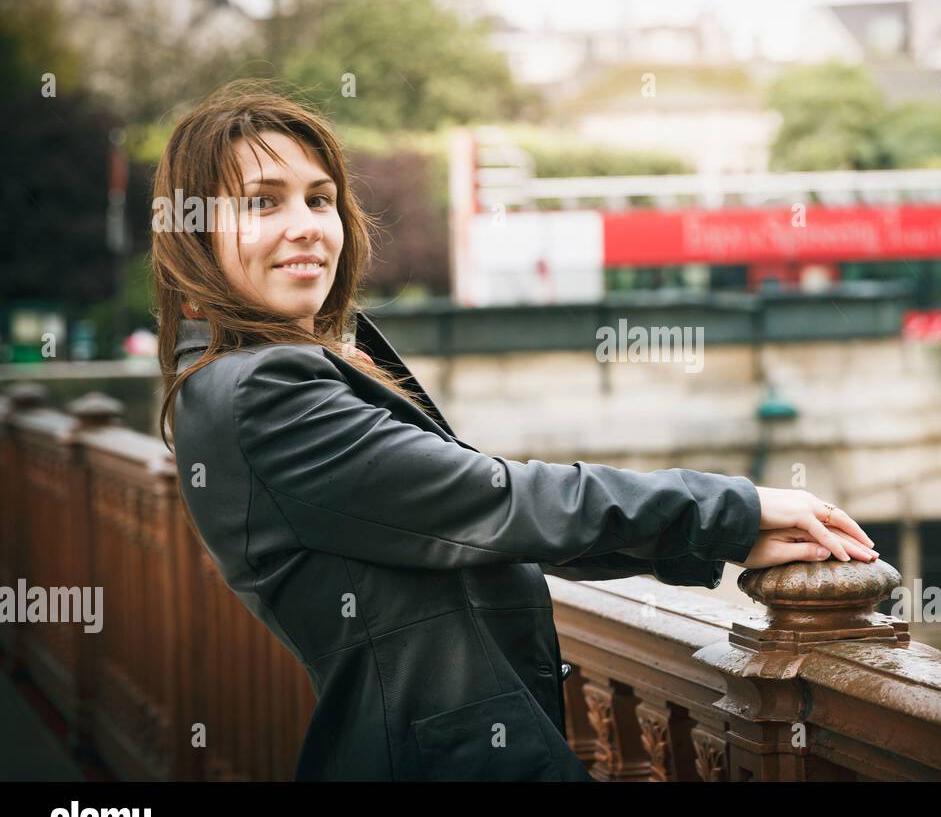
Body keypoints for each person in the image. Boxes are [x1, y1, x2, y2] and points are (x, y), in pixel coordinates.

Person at [151, 79, 877, 781]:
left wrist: (717, 533)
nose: (306, 224)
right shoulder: (262, 394)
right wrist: (729, 511)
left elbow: (473, 518)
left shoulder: (236, 381)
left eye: (320, 199)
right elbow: (492, 501)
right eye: (262, 204)